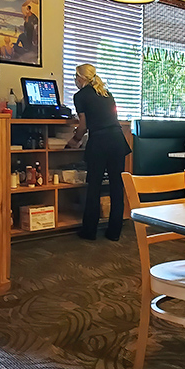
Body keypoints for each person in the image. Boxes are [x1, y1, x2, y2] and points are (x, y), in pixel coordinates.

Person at [65, 63, 131, 241]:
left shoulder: (80, 96)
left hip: (99, 142)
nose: (75, 80)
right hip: (117, 141)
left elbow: (83, 125)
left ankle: (89, 231)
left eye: (75, 77)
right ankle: (114, 232)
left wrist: (75, 140)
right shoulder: (107, 93)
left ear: (81, 78)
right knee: (117, 186)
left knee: (94, 186)